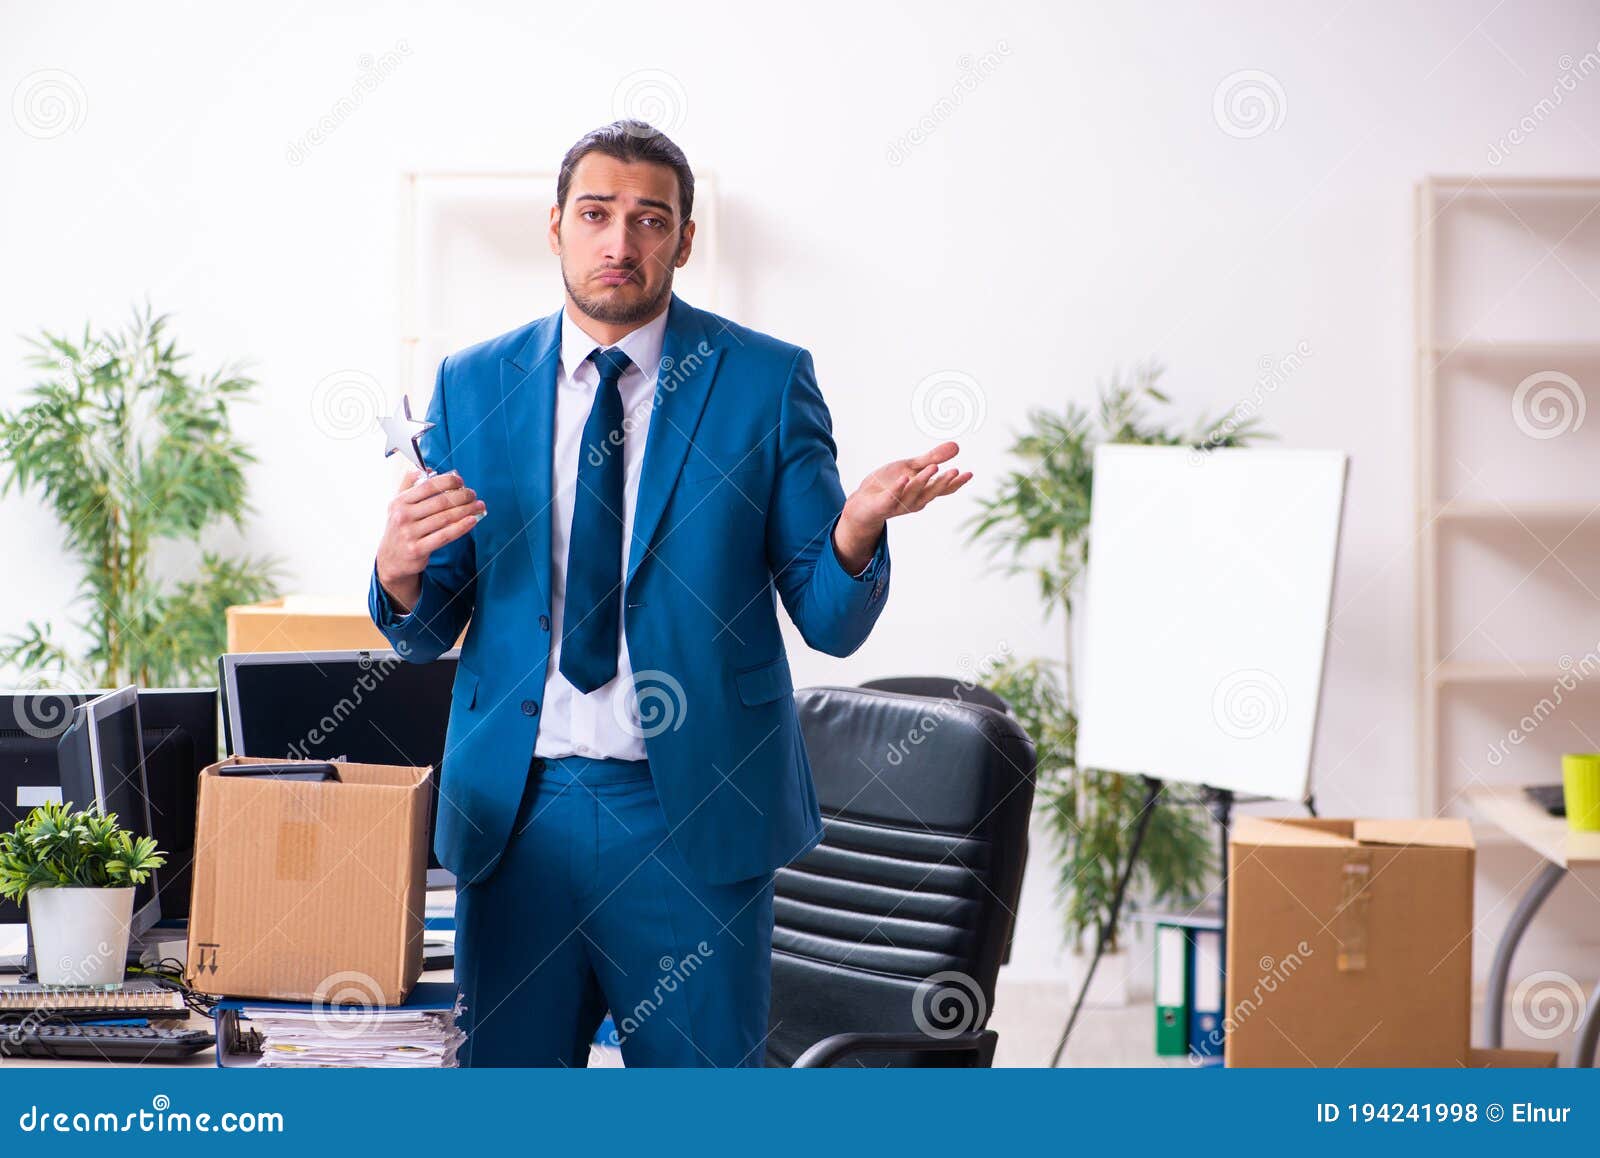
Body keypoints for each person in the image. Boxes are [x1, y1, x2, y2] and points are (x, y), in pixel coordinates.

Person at [368, 119, 969, 1067]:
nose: (621, 241)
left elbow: (829, 620)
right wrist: (398, 568)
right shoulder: (473, 381)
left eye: (650, 220)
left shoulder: (764, 382)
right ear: (555, 226)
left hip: (693, 813)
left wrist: (855, 528)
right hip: (517, 814)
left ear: (684, 240)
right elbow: (429, 624)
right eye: (596, 214)